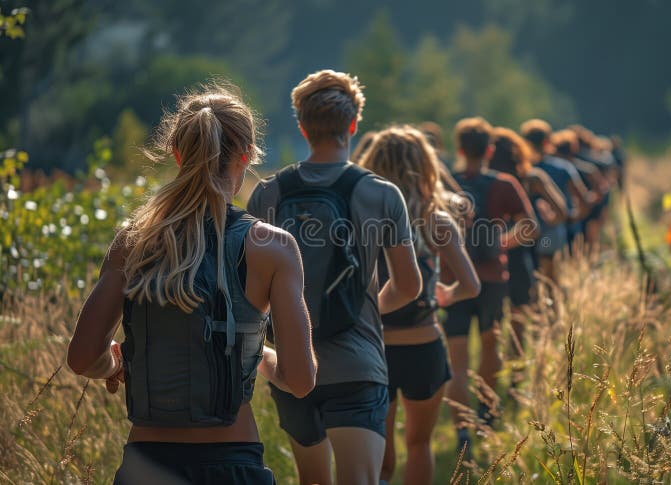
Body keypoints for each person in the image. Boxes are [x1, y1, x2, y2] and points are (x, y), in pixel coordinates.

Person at [67, 83, 317, 484]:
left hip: (146, 465)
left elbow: (81, 358)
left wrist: (118, 361)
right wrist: (257, 354)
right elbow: (301, 380)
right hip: (232, 462)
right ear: (246, 156)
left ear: (178, 154)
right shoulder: (272, 247)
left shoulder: (134, 241)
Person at [247, 70, 422, 485]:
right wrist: (358, 306)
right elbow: (410, 285)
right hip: (357, 365)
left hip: (293, 366)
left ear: (303, 127)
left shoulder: (267, 193)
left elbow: (248, 290)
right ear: (353, 125)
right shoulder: (381, 193)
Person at [359, 127, 480, 485]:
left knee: (379, 448)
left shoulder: (361, 217)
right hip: (423, 344)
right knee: (419, 443)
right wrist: (445, 294)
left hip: (373, 346)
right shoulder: (437, 220)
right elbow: (470, 286)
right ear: (425, 166)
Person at [443, 117, 537, 454]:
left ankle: (461, 430)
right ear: (490, 149)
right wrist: (502, 244)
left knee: (456, 361)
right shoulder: (505, 184)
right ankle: (485, 413)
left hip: (452, 281)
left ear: (459, 148)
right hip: (493, 281)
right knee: (489, 348)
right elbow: (530, 227)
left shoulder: (446, 184)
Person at [488, 127, 567, 338]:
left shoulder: (487, 181)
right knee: (522, 313)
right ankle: (524, 359)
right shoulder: (532, 178)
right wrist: (547, 219)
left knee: (491, 322)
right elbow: (561, 210)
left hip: (487, 253)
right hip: (523, 251)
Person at [521, 118, 596, 257]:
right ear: (547, 142)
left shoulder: (520, 169)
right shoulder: (563, 167)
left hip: (523, 234)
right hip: (556, 233)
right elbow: (584, 202)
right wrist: (570, 218)